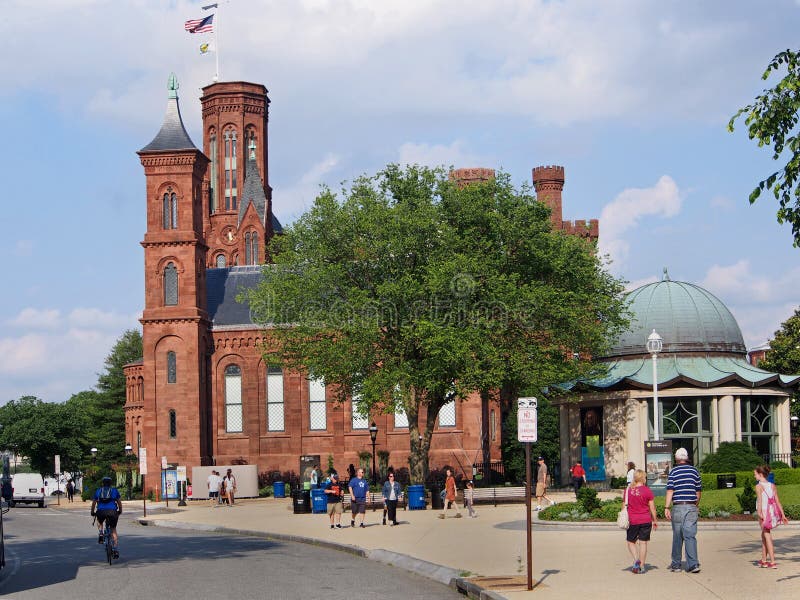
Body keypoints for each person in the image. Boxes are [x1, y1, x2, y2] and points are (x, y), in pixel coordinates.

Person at [664, 447, 702, 573]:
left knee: (677, 536)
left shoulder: (673, 472)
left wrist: (666, 507)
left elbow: (670, 490)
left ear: (676, 458)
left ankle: (676, 564)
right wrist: (695, 505)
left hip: (678, 506)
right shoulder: (694, 471)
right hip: (691, 505)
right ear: (686, 458)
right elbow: (698, 491)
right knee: (690, 535)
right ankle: (693, 564)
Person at [754, 465, 789, 568]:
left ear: (760, 474)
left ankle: (772, 561)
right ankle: (764, 560)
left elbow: (760, 501)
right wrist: (783, 514)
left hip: (764, 513)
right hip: (771, 513)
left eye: (755, 474)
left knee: (767, 535)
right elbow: (777, 501)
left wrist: (759, 513)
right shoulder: (772, 485)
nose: (754, 476)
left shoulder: (758, 486)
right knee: (764, 535)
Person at [626, 469, 658, 574]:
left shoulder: (628, 490)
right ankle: (642, 566)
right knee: (643, 543)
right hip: (645, 520)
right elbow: (652, 508)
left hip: (633, 520)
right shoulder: (647, 490)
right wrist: (655, 520)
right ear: (643, 478)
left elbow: (624, 505)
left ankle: (636, 560)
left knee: (631, 542)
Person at [90, 476, 122, 559]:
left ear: (103, 483)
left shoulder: (98, 491)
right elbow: (119, 502)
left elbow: (94, 503)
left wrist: (92, 512)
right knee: (113, 530)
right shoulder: (114, 491)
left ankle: (101, 533)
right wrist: (120, 511)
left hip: (101, 511)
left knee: (99, 521)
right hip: (112, 512)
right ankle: (115, 549)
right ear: (110, 483)